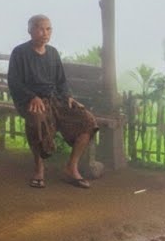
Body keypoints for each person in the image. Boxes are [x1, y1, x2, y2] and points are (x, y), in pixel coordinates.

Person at [7, 14, 99, 189]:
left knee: (87, 120)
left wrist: (68, 97)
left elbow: (61, 81)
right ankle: (39, 169)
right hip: (30, 100)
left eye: (48, 29)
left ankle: (71, 168)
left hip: (55, 99)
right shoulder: (20, 53)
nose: (45, 33)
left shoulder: (53, 53)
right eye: (40, 28)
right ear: (30, 30)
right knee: (37, 118)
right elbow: (14, 81)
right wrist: (31, 97)